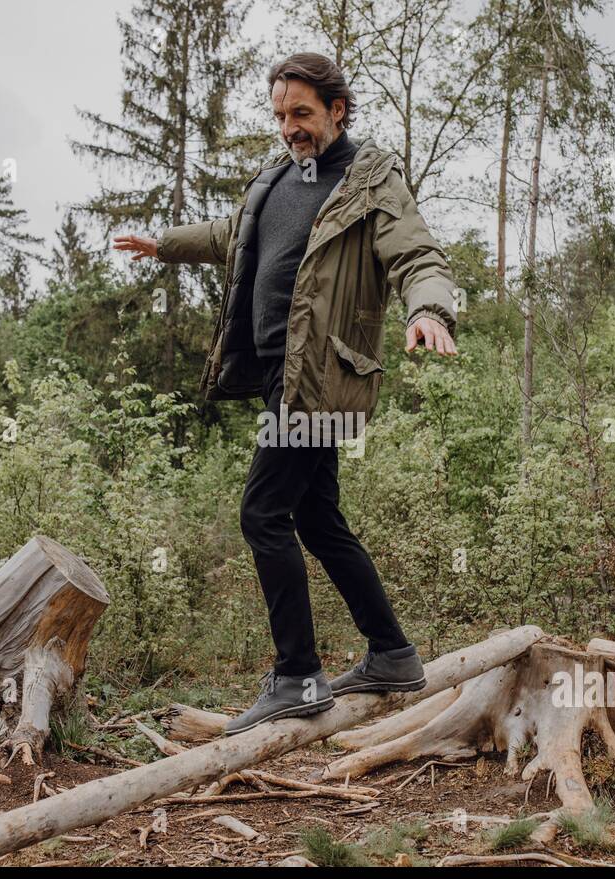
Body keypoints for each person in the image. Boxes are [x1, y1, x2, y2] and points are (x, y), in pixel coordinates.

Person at [113, 52, 458, 735]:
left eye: (302, 113)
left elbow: (417, 254)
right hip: (279, 373)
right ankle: (392, 652)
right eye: (280, 115)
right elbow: (234, 236)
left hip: (319, 379)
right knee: (317, 519)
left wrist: (430, 311)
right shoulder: (276, 178)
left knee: (263, 513)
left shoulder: (370, 179)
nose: (290, 128)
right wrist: (165, 245)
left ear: (337, 109)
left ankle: (299, 676)